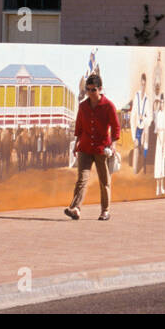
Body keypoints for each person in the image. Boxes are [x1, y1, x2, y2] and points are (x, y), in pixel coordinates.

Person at [65, 73, 121, 221]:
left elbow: (116, 128)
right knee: (82, 179)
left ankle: (105, 210)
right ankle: (75, 208)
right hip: (84, 147)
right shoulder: (83, 106)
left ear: (100, 89)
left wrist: (113, 145)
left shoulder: (109, 106)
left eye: (93, 90)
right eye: (87, 90)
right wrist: (76, 143)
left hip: (102, 149)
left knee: (104, 181)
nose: (90, 93)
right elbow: (79, 126)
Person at [132, 73, 151, 174]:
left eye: (145, 85)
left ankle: (144, 164)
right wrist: (133, 135)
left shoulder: (147, 99)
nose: (143, 86)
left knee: (145, 142)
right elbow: (133, 115)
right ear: (140, 83)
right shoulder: (137, 96)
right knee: (136, 146)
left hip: (144, 126)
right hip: (137, 128)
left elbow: (149, 117)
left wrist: (143, 118)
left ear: (146, 84)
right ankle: (136, 167)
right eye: (142, 84)